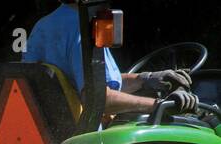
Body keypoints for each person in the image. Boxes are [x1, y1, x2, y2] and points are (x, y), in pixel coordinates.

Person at [23, 2, 199, 115]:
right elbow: (99, 99)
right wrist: (160, 105)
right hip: (84, 138)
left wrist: (146, 79)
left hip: (52, 129)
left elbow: (86, 82)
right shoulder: (83, 28)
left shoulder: (44, 25)